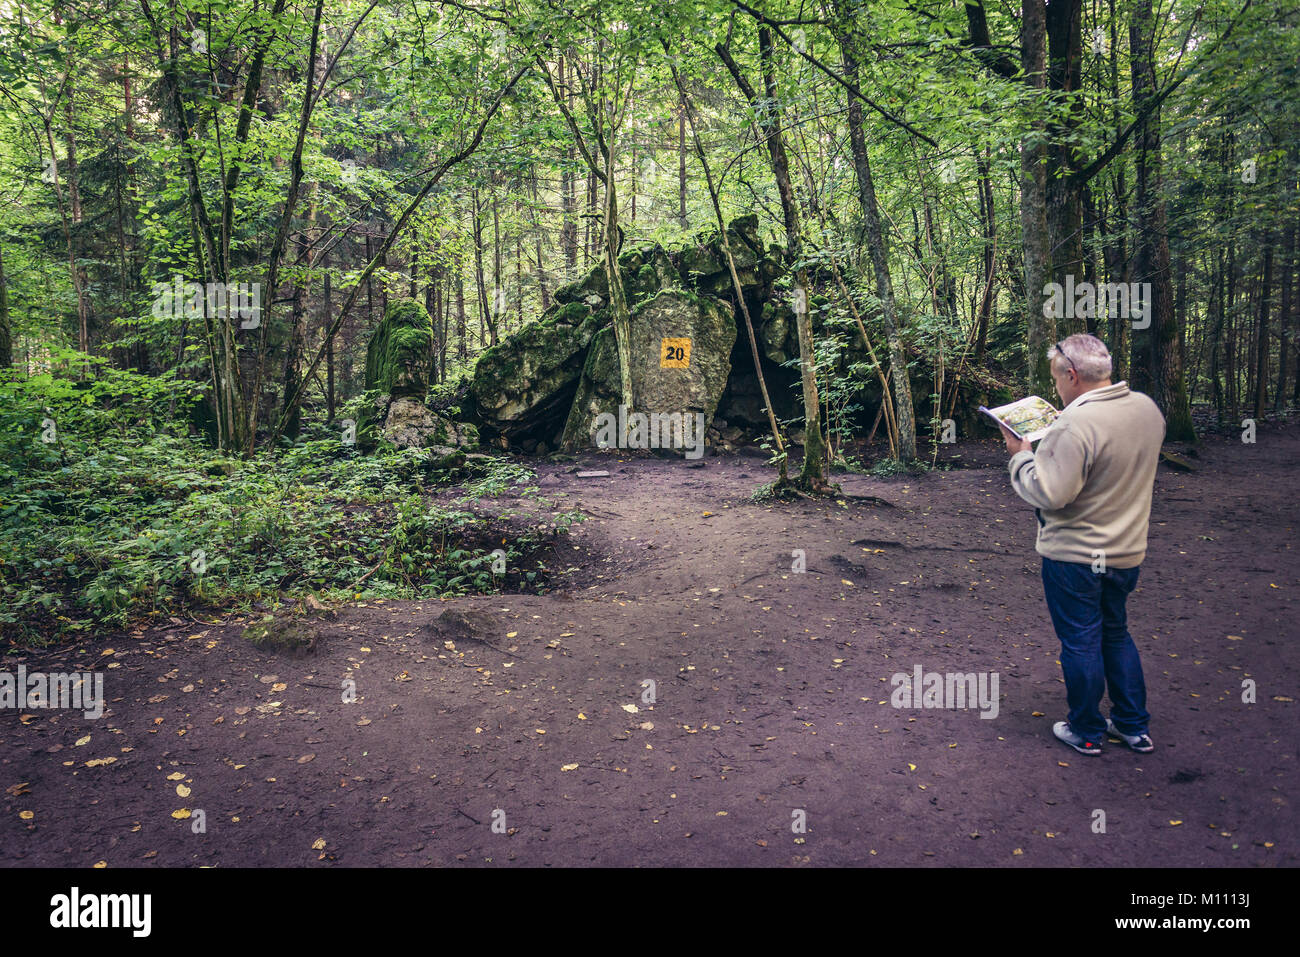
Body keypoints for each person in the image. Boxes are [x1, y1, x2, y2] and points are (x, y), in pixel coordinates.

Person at [998, 333, 1165, 756]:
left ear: (1072, 375)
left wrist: (1019, 454)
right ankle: (1132, 726)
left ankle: (1086, 729)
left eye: (1056, 379)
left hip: (1075, 555)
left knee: (1080, 640)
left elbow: (1051, 493)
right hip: (1127, 551)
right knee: (1116, 633)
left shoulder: (1075, 423)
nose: (1056, 388)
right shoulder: (1147, 410)